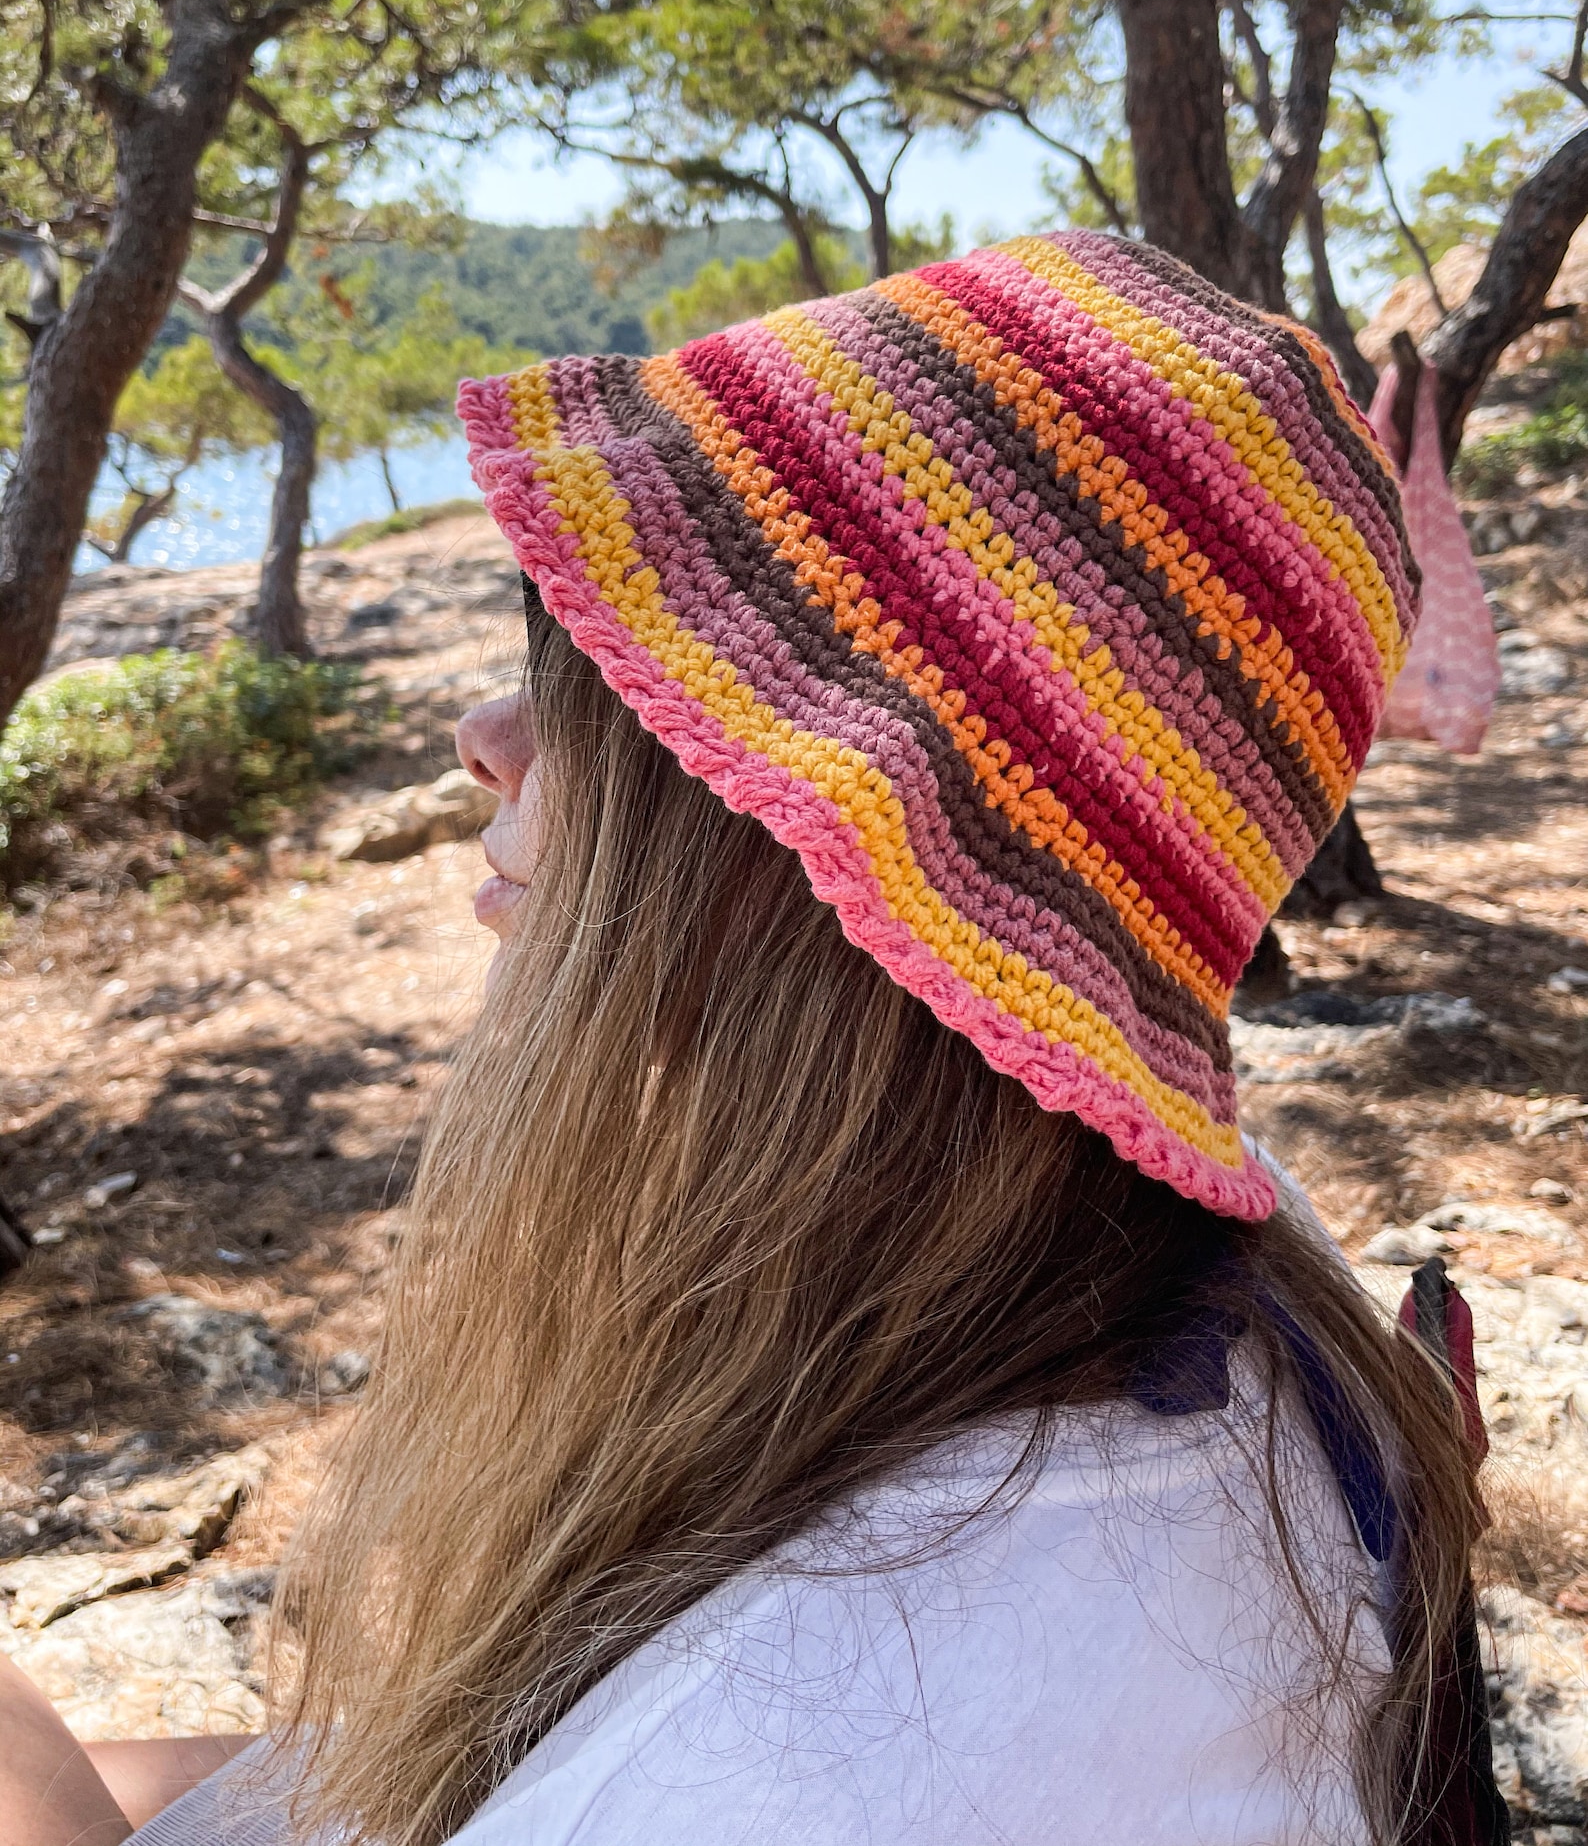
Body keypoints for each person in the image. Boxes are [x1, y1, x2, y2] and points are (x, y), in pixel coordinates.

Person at [1, 231, 1498, 1846]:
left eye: (591, 674)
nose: (482, 739)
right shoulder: (1217, 1277)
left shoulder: (807, 1754)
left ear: (832, 838)